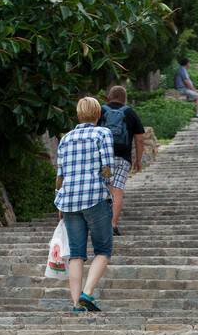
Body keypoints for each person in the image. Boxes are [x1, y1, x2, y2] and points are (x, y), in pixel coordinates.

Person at [55, 96, 115, 314]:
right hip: (94, 196)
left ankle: (75, 304)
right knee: (103, 249)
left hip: (69, 200)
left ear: (78, 114)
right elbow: (107, 166)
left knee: (76, 254)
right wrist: (107, 185)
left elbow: (60, 175)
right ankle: (87, 294)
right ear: (98, 114)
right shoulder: (102, 133)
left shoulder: (66, 138)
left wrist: (58, 201)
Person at [100, 84, 145, 236]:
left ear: (109, 97)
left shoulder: (100, 111)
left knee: (102, 189)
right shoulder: (130, 113)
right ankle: (112, 225)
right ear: (124, 99)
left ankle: (97, 225)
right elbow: (140, 139)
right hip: (123, 158)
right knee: (117, 190)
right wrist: (138, 160)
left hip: (102, 157)